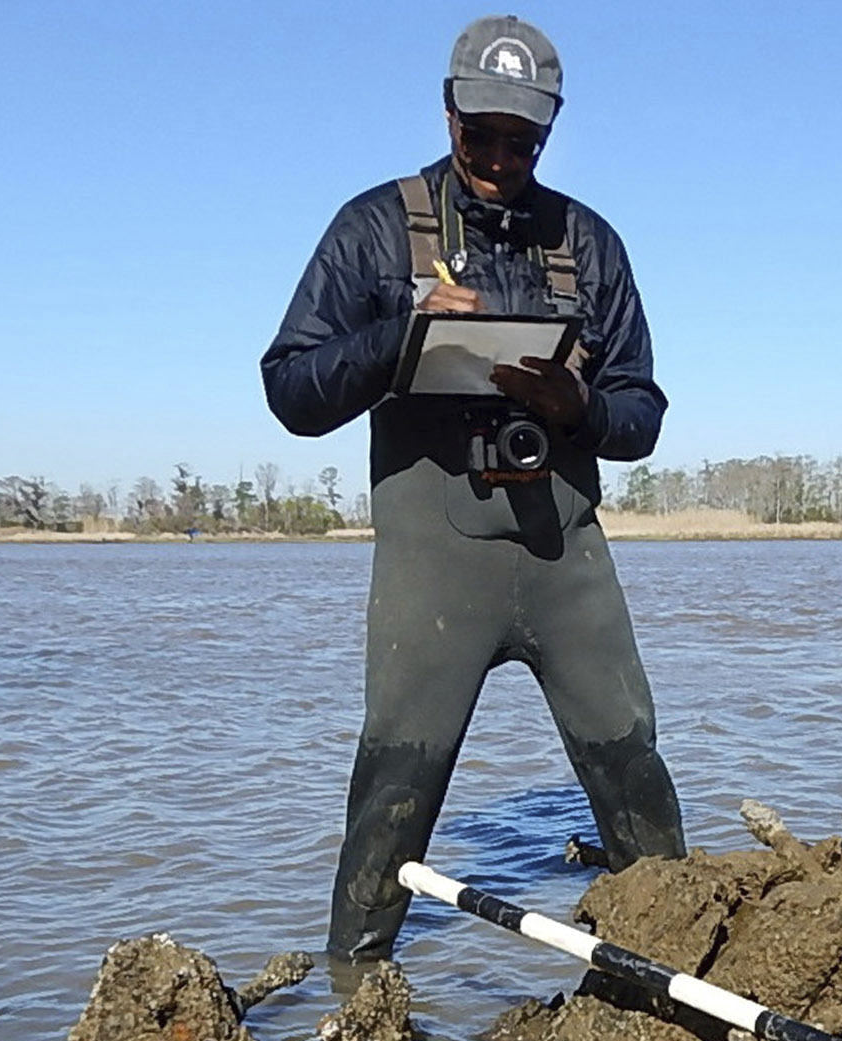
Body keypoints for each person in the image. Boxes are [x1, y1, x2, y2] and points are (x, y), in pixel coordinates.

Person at [259, 14, 687, 962]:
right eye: (481, 132)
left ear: (550, 129)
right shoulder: (375, 228)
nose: (500, 154)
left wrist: (576, 405)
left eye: (523, 138)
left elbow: (644, 413)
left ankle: (670, 984)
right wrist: (400, 335)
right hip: (432, 566)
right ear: (448, 111)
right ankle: (356, 1003)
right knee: (390, 800)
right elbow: (290, 388)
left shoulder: (590, 243)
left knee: (637, 781)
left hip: (564, 554)